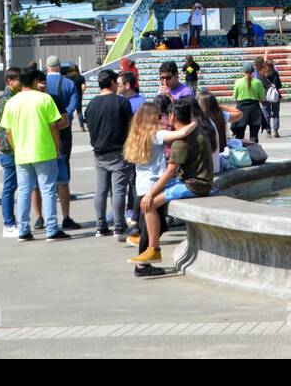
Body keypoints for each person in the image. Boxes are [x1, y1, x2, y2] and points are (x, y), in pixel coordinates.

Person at [129, 97, 215, 266]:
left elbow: (170, 171)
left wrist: (150, 194)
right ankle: (142, 239)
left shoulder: (180, 141)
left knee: (150, 204)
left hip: (193, 184)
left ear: (173, 116)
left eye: (166, 115)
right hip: (199, 181)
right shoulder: (197, 131)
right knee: (151, 207)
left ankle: (153, 249)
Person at [1, 67, 72, 242]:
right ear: (34, 81)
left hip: (22, 153)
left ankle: (24, 229)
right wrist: (56, 147)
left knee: (24, 191)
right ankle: (52, 229)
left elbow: (8, 131)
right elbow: (54, 125)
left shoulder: (12, 102)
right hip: (44, 151)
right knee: (48, 189)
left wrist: (16, 148)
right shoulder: (44, 99)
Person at [121, 101, 192, 271]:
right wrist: (195, 121)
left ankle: (144, 255)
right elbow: (182, 132)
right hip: (154, 186)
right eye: (159, 115)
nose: (161, 118)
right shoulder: (156, 135)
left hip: (142, 185)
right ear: (152, 118)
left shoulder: (136, 135)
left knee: (157, 225)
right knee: (149, 229)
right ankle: (143, 265)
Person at [85, 69, 135, 239]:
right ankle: (119, 225)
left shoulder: (91, 104)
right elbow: (130, 127)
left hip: (99, 153)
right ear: (113, 83)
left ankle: (100, 226)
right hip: (118, 151)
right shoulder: (121, 102)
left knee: (101, 191)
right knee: (119, 190)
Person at [43, 57, 81, 230]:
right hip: (64, 126)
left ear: (47, 67)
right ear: (59, 67)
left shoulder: (41, 84)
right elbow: (74, 101)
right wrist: (68, 113)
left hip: (44, 128)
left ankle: (42, 214)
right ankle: (63, 189)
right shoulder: (68, 83)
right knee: (64, 158)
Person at [0, 67, 22, 237]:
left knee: (12, 186)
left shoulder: (11, 98)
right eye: (18, 79)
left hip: (10, 149)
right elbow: (7, 130)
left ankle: (11, 222)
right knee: (9, 187)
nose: (21, 82)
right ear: (9, 81)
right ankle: (9, 224)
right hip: (8, 149)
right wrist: (14, 147)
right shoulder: (6, 100)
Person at [232, 63, 266, 143]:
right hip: (255, 110)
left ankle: (240, 153)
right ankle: (254, 153)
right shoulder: (258, 83)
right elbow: (263, 99)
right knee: (254, 137)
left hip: (241, 109)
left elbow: (235, 97)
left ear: (243, 71)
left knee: (239, 136)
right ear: (253, 71)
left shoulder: (238, 82)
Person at [258, 59, 283, 138]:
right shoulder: (275, 73)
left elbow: (259, 86)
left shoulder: (261, 74)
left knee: (266, 114)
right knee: (276, 113)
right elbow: (279, 85)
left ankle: (268, 132)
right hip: (275, 95)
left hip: (265, 96)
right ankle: (276, 131)